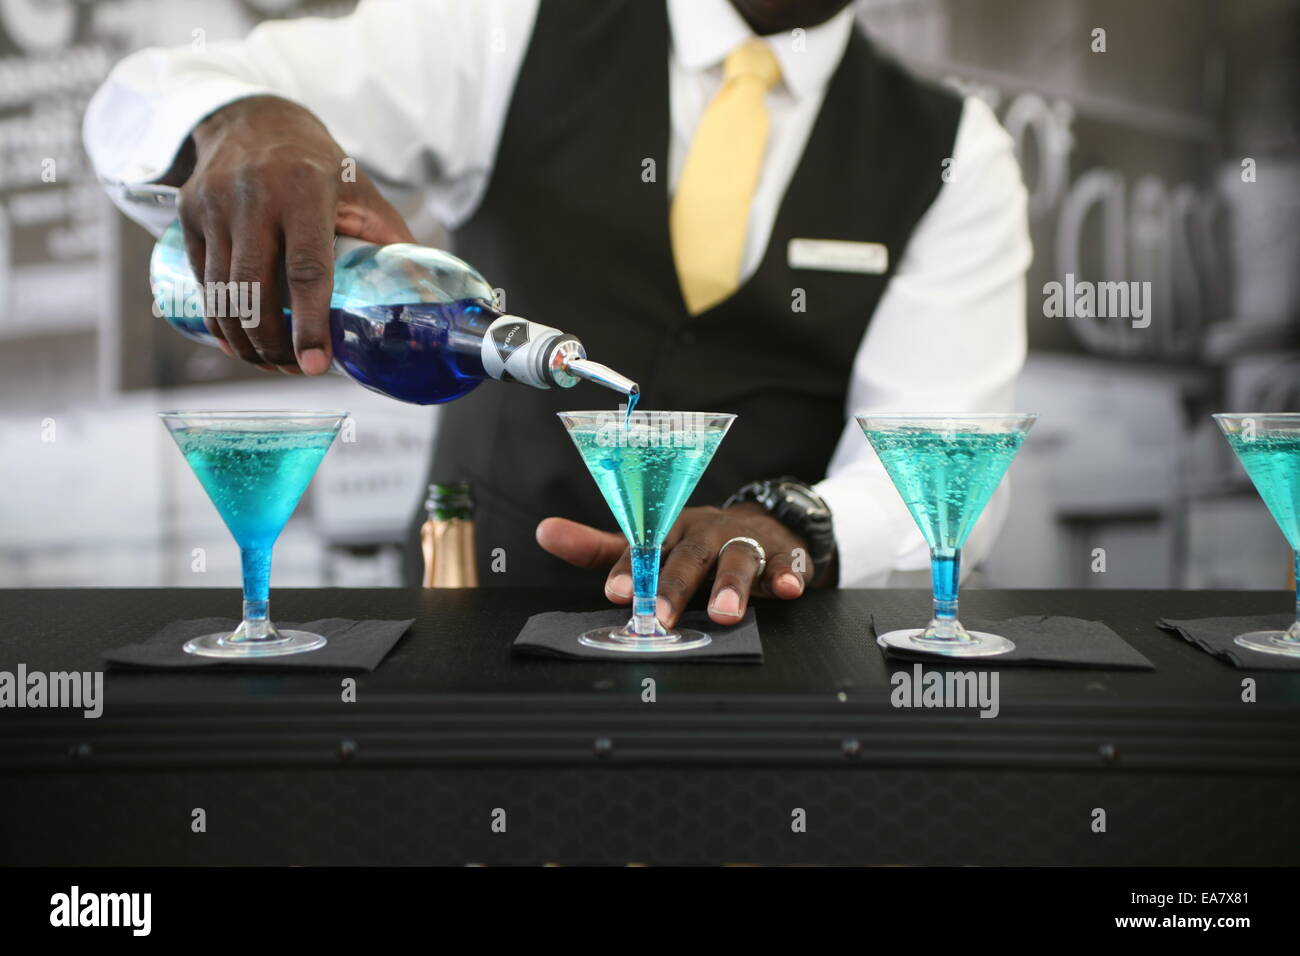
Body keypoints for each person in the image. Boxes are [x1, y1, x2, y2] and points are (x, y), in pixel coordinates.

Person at [83, 0, 1030, 628]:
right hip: (475, 649)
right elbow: (146, 88)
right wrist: (245, 118)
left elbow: (947, 462)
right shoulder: (512, 22)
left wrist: (794, 527)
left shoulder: (955, 150)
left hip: (771, 689)